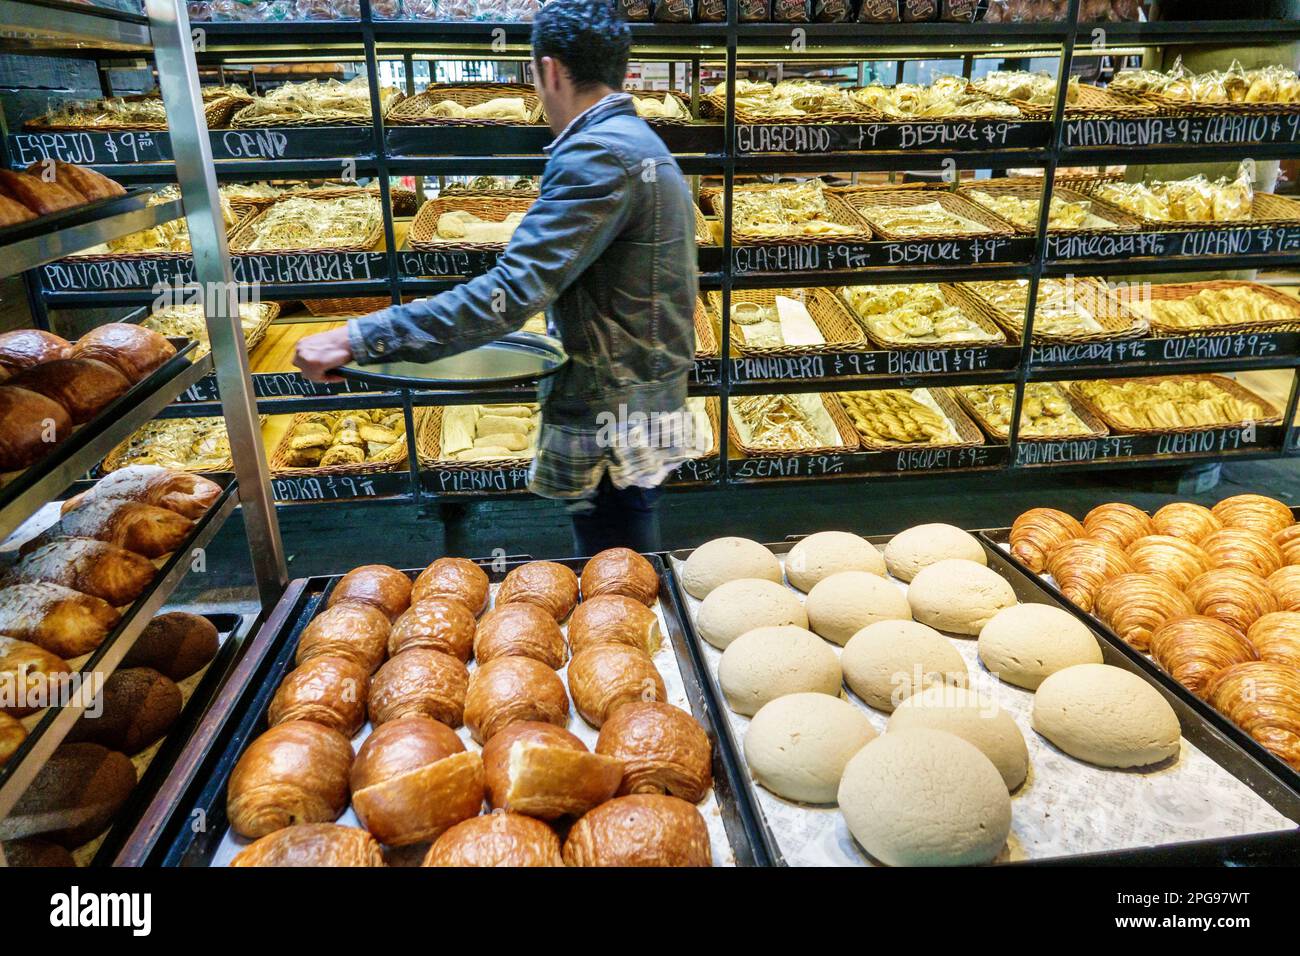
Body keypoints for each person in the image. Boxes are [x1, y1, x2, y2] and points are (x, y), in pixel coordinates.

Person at [293, 0, 701, 556]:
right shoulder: (636, 142)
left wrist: (357, 337)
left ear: (549, 70)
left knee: (617, 581)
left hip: (615, 414)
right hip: (637, 400)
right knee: (622, 565)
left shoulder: (598, 155)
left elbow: (508, 295)